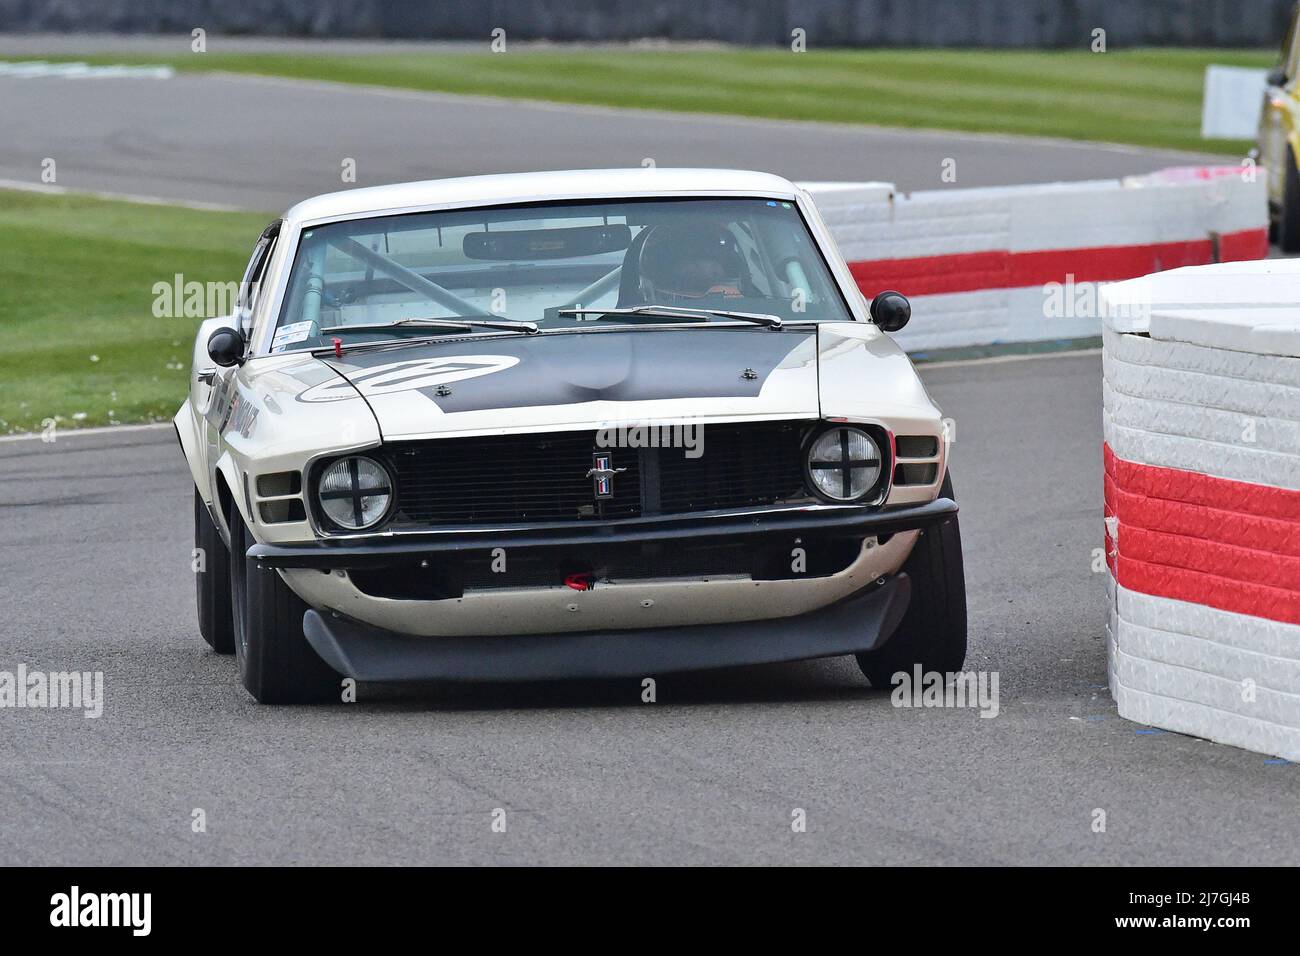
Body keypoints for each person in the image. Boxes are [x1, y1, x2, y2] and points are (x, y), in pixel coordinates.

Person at [636, 223, 749, 303]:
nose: (703, 277)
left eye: (714, 274)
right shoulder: (662, 307)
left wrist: (736, 300)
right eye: (690, 275)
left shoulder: (738, 288)